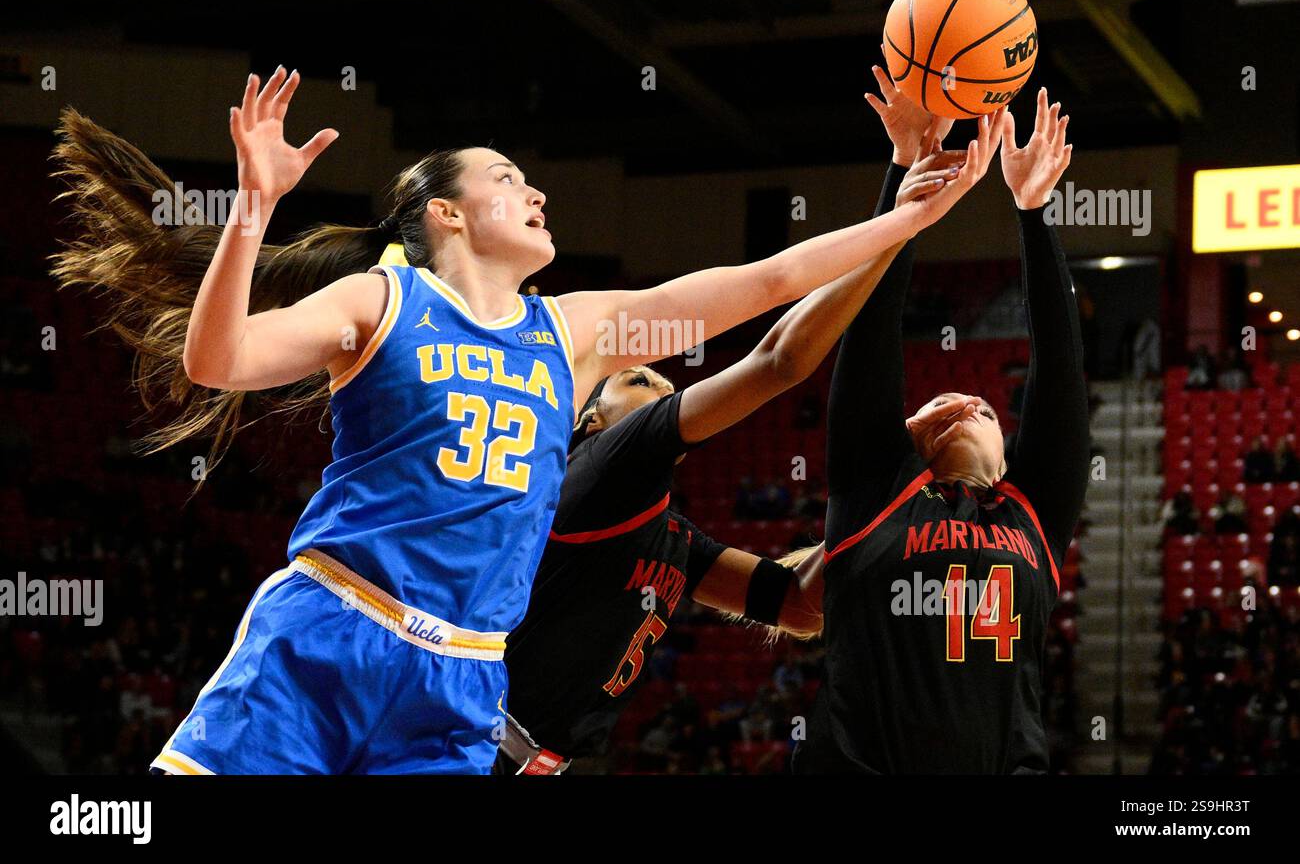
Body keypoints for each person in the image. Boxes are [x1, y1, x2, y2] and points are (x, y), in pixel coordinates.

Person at [51, 68, 994, 775]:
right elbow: (217, 362)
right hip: (334, 630)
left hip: (464, 680)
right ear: (446, 215)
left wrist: (908, 214)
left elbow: (767, 287)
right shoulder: (380, 302)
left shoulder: (575, 331)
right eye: (508, 178)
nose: (537, 192)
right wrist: (252, 208)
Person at [494, 70, 995, 773]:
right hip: (479, 747)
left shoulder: (663, 531)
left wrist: (897, 484)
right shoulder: (598, 472)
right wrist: (902, 208)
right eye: (638, 378)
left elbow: (797, 604)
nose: (663, 383)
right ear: (590, 424)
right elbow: (780, 360)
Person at [793, 88, 1089, 774]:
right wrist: (904, 191)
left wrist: (1034, 212)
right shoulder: (877, 490)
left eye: (980, 405)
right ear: (907, 443)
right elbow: (869, 336)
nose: (960, 401)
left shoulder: (1032, 512)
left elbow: (1063, 370)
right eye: (939, 404)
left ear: (1008, 454)